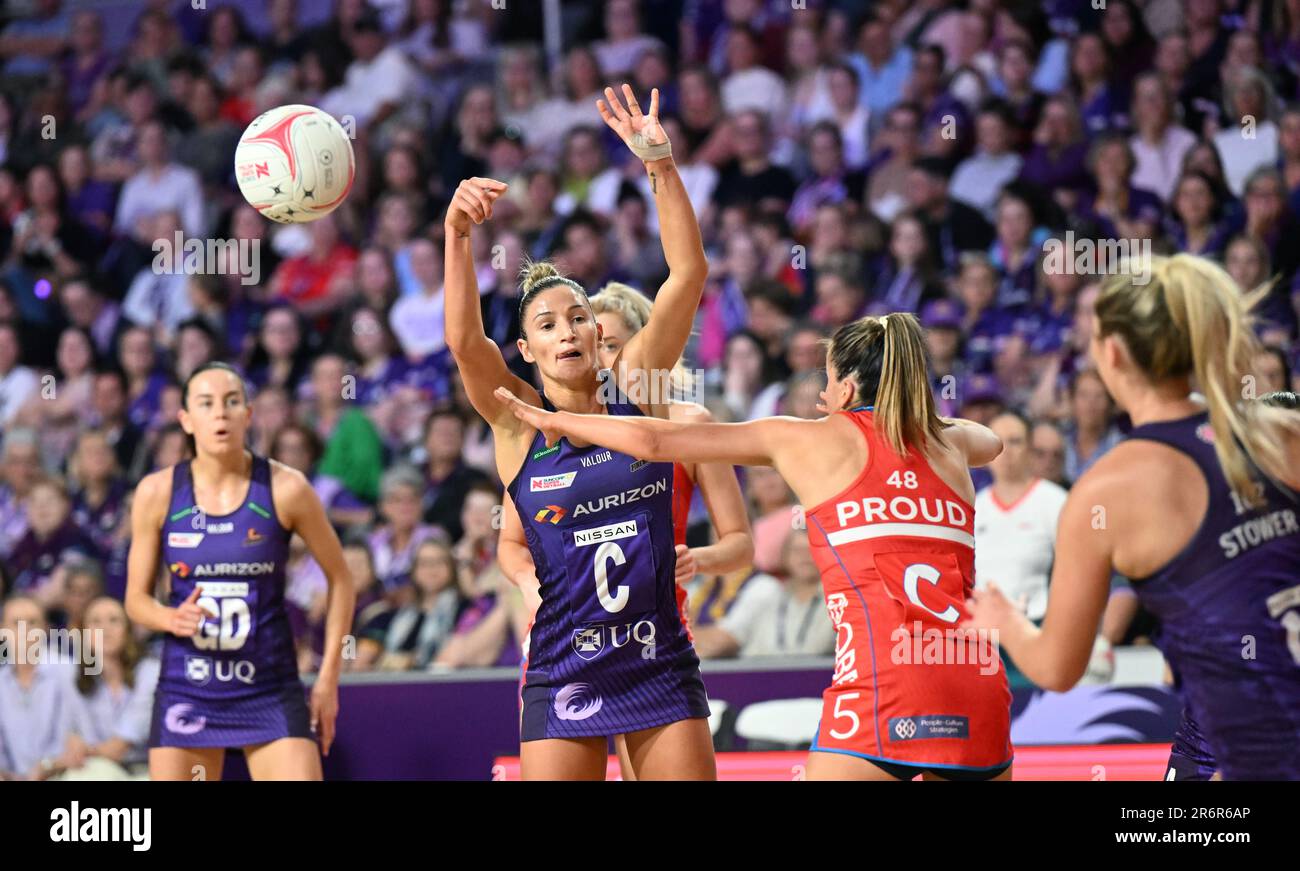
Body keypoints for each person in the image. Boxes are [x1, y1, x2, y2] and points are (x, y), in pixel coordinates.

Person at [496, 311, 1013, 780]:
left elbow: (655, 442)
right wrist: (922, 421)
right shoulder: (952, 441)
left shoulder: (807, 437)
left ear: (849, 387)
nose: (821, 398)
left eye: (828, 383)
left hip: (887, 683)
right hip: (978, 682)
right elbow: (993, 442)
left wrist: (558, 421)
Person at [444, 84, 714, 780]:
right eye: (546, 324)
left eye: (577, 317)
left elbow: (688, 274)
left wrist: (660, 165)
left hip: (659, 660)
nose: (567, 329)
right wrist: (457, 236)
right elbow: (466, 342)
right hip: (564, 664)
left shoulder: (640, 390)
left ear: (598, 331)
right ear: (527, 350)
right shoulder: (516, 422)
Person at [964, 255, 1300, 780]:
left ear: (1112, 353)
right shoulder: (1279, 433)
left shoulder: (1108, 490)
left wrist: (1003, 620)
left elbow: (1057, 668)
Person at [496, 280, 754, 779]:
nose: (598, 352)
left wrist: (699, 558)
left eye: (613, 344)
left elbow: (740, 545)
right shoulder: (548, 435)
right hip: (570, 636)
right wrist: (528, 584)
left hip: (657, 632)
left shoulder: (681, 420)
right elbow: (510, 544)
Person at [124, 362, 356, 781]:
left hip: (269, 686)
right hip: (188, 686)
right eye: (207, 404)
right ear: (186, 420)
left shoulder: (287, 488)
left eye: (232, 402)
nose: (220, 414)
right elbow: (135, 601)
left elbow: (341, 579)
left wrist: (327, 680)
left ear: (248, 416)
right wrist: (169, 618)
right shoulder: (157, 492)